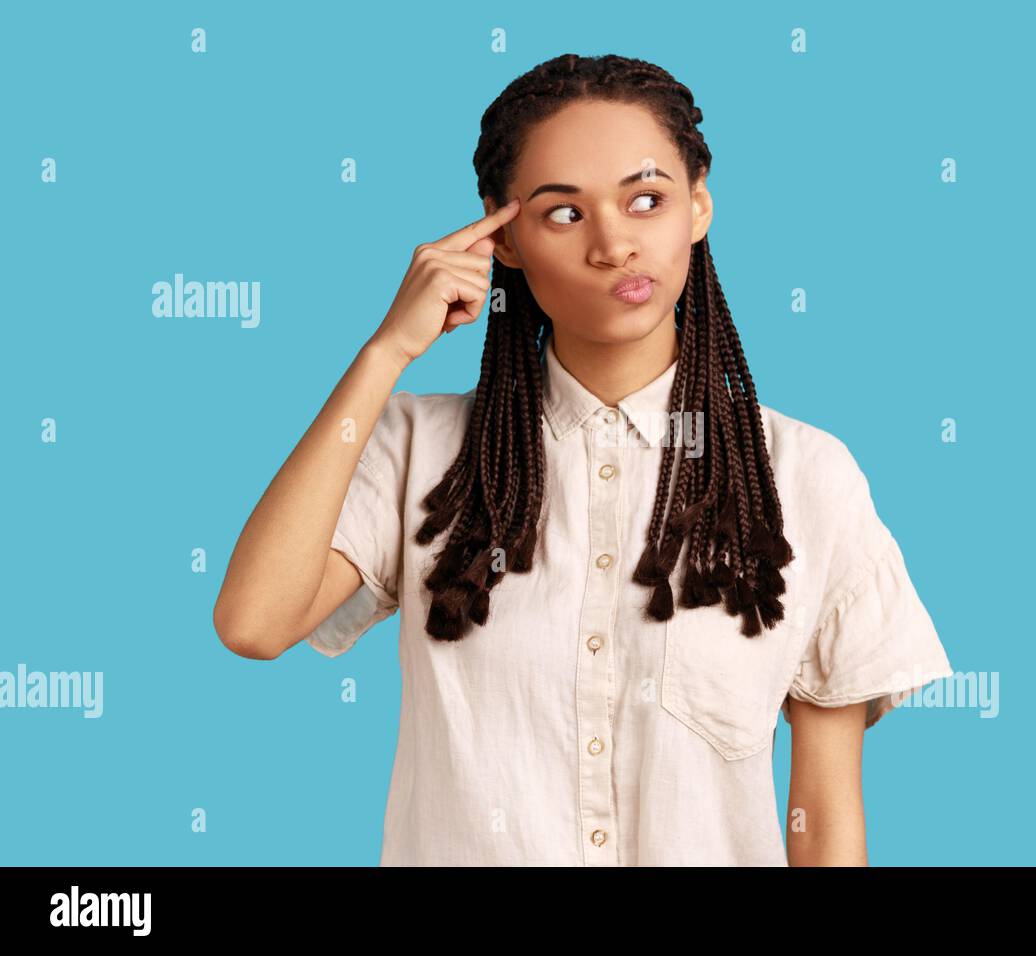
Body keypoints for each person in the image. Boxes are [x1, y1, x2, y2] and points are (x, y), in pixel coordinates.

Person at [213, 53, 953, 866]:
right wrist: (386, 352)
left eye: (647, 200)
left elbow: (826, 812)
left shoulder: (805, 476)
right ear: (505, 236)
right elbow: (254, 624)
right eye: (563, 214)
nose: (613, 246)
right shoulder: (420, 451)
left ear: (699, 207)